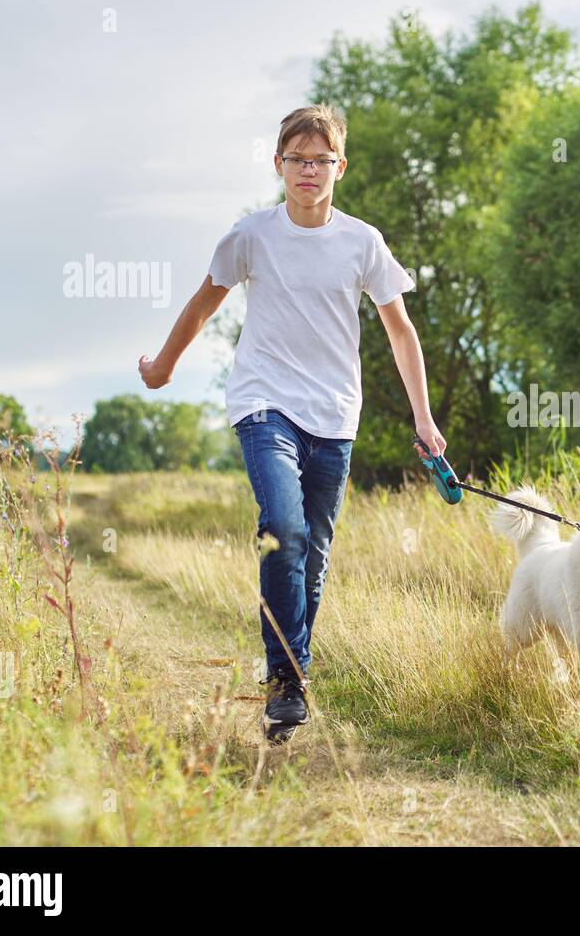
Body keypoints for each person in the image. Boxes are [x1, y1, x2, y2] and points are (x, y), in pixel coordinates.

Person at [138, 103, 446, 743]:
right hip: (263, 401)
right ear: (279, 164)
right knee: (282, 526)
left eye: (321, 160)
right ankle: (287, 680)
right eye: (297, 159)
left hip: (335, 415)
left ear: (341, 166)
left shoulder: (362, 242)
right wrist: (164, 365)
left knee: (312, 550)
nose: (309, 170)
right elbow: (204, 301)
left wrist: (423, 416)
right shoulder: (252, 235)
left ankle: (289, 673)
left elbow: (400, 330)